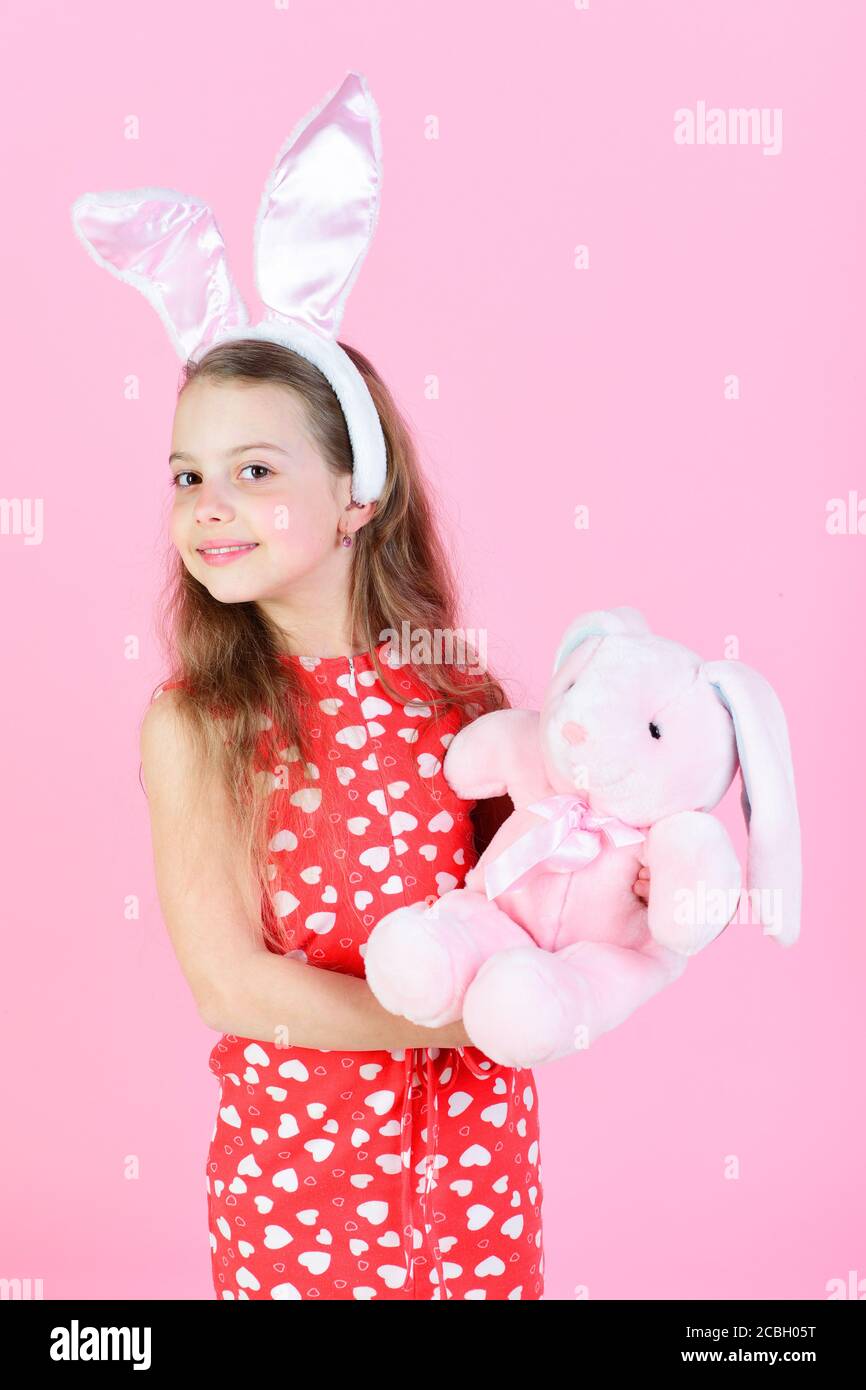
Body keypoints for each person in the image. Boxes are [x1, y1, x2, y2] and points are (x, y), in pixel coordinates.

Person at [140, 335, 552, 1299]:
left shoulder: (459, 698)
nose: (208, 504)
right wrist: (468, 1029)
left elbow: (530, 902)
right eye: (187, 474)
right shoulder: (203, 723)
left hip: (477, 1174)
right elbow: (231, 989)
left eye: (254, 470)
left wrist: (619, 879)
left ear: (357, 495)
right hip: (303, 1194)